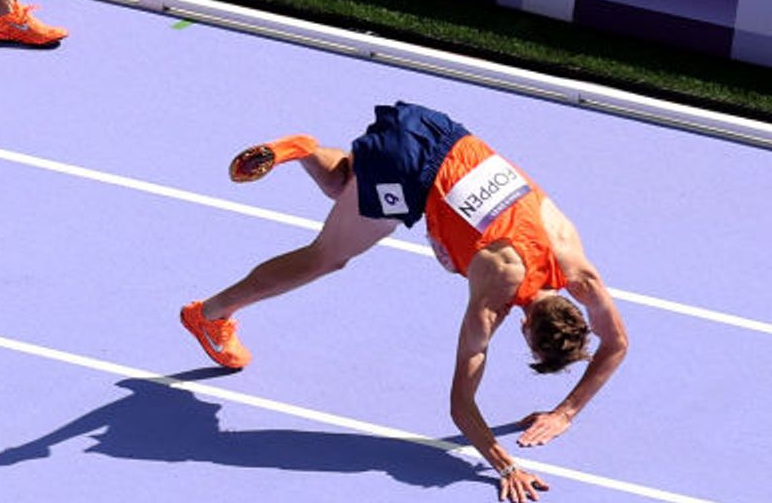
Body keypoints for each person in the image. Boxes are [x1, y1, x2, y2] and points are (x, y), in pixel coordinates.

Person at [179, 102, 628, 502]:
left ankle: (301, 149)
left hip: (438, 132)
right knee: (326, 257)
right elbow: (460, 406)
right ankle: (210, 315)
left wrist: (565, 411)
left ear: (574, 306)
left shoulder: (575, 262)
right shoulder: (494, 296)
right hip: (411, 173)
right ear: (527, 330)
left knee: (348, 186)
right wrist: (505, 464)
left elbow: (617, 342)